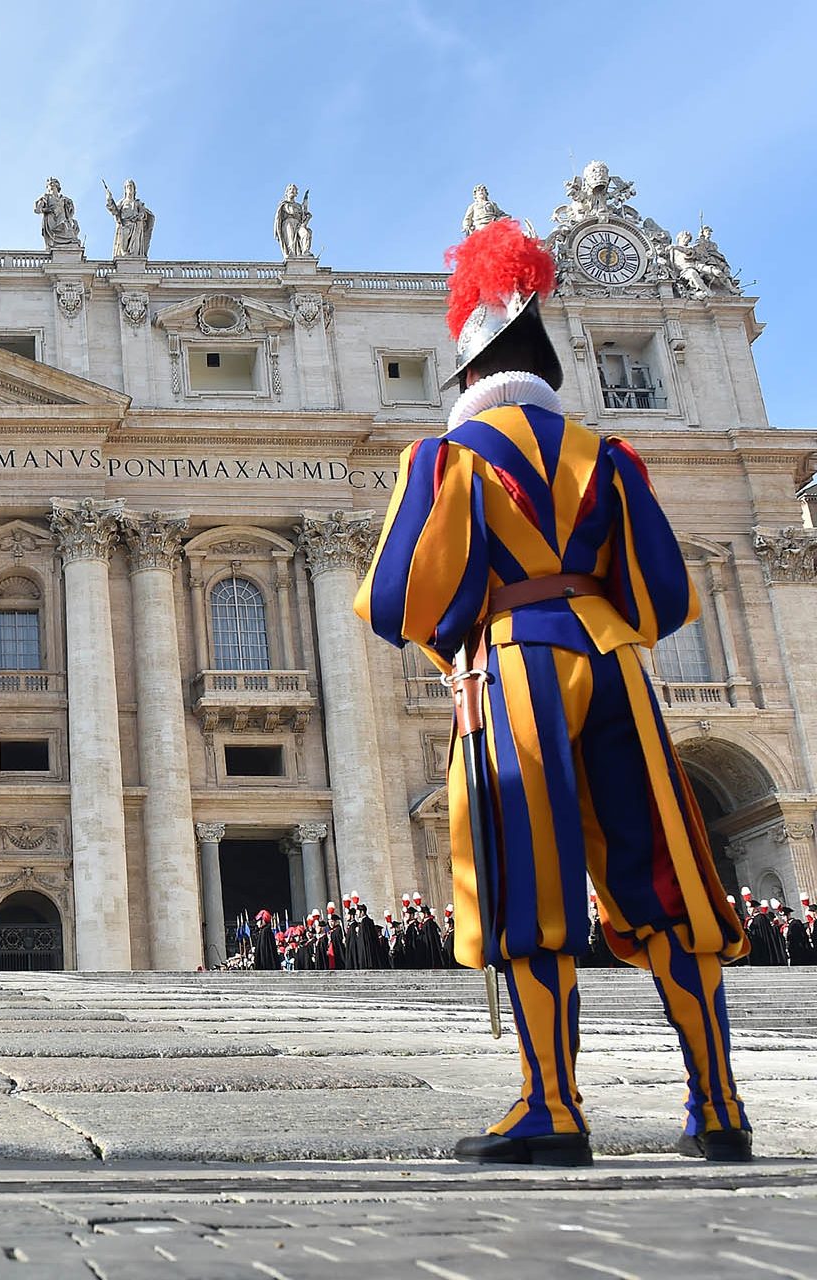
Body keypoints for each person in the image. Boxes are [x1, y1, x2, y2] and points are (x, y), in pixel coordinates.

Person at [358, 217, 751, 1165]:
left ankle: (553, 1107)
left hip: (512, 665)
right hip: (614, 659)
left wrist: (460, 637)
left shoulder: (447, 459)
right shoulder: (609, 456)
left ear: (465, 380)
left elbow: (395, 595)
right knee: (666, 876)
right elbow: (667, 595)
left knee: (525, 878)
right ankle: (719, 1109)